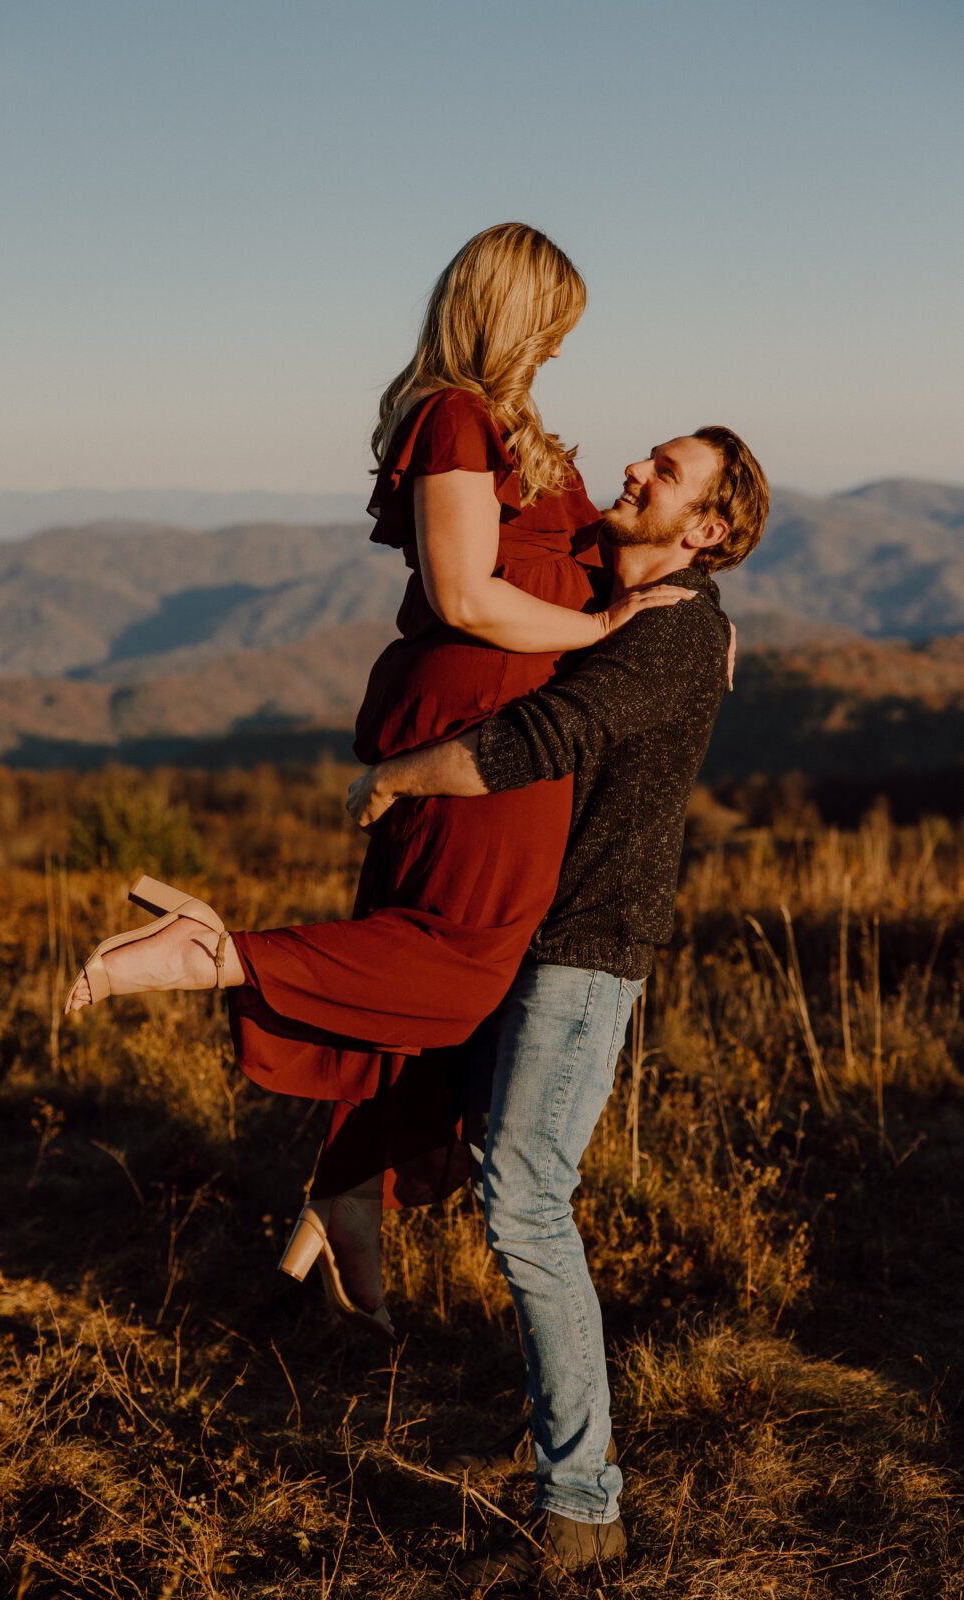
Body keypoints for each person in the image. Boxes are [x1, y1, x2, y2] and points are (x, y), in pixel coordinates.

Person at [63, 222, 690, 1337]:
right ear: (509, 309)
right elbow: (462, 592)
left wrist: (693, 621)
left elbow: (584, 554)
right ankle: (215, 955)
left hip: (502, 712)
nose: (555, 348)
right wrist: (600, 627)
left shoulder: (506, 423)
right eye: (551, 325)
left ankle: (350, 1195)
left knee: (425, 977)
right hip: (485, 718)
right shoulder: (454, 413)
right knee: (460, 966)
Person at [345, 424, 770, 1587]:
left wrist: (395, 775)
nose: (634, 469)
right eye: (643, 455)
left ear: (706, 532)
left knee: (526, 1200)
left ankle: (582, 1509)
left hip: (581, 953)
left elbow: (538, 740)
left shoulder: (679, 633)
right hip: (524, 936)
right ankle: (551, 1433)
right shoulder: (607, 586)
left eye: (664, 474)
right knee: (501, 1173)